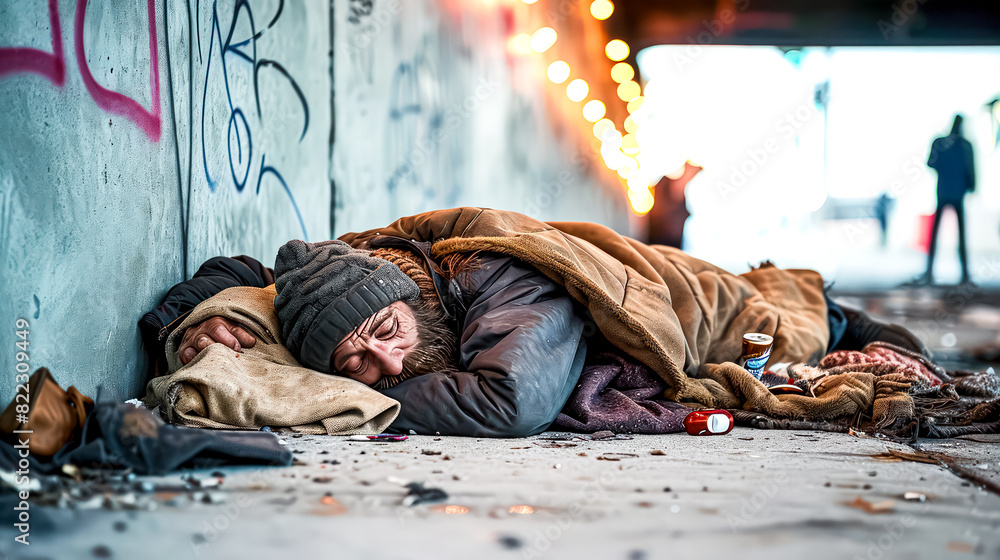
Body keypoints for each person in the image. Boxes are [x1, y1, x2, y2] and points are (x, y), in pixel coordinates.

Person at [139, 208, 927, 437]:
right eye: (356, 365)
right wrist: (184, 320)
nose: (388, 365)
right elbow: (252, 275)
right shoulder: (354, 274)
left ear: (406, 297)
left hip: (742, 306)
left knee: (830, 334)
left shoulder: (499, 277)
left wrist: (321, 388)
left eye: (384, 333)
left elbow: (510, 401)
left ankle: (843, 318)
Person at [920, 114, 976, 285]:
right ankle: (934, 273)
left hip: (947, 193)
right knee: (947, 235)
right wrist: (971, 186)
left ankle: (957, 275)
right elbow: (971, 170)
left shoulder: (947, 143)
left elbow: (931, 162)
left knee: (951, 235)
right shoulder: (962, 145)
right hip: (951, 194)